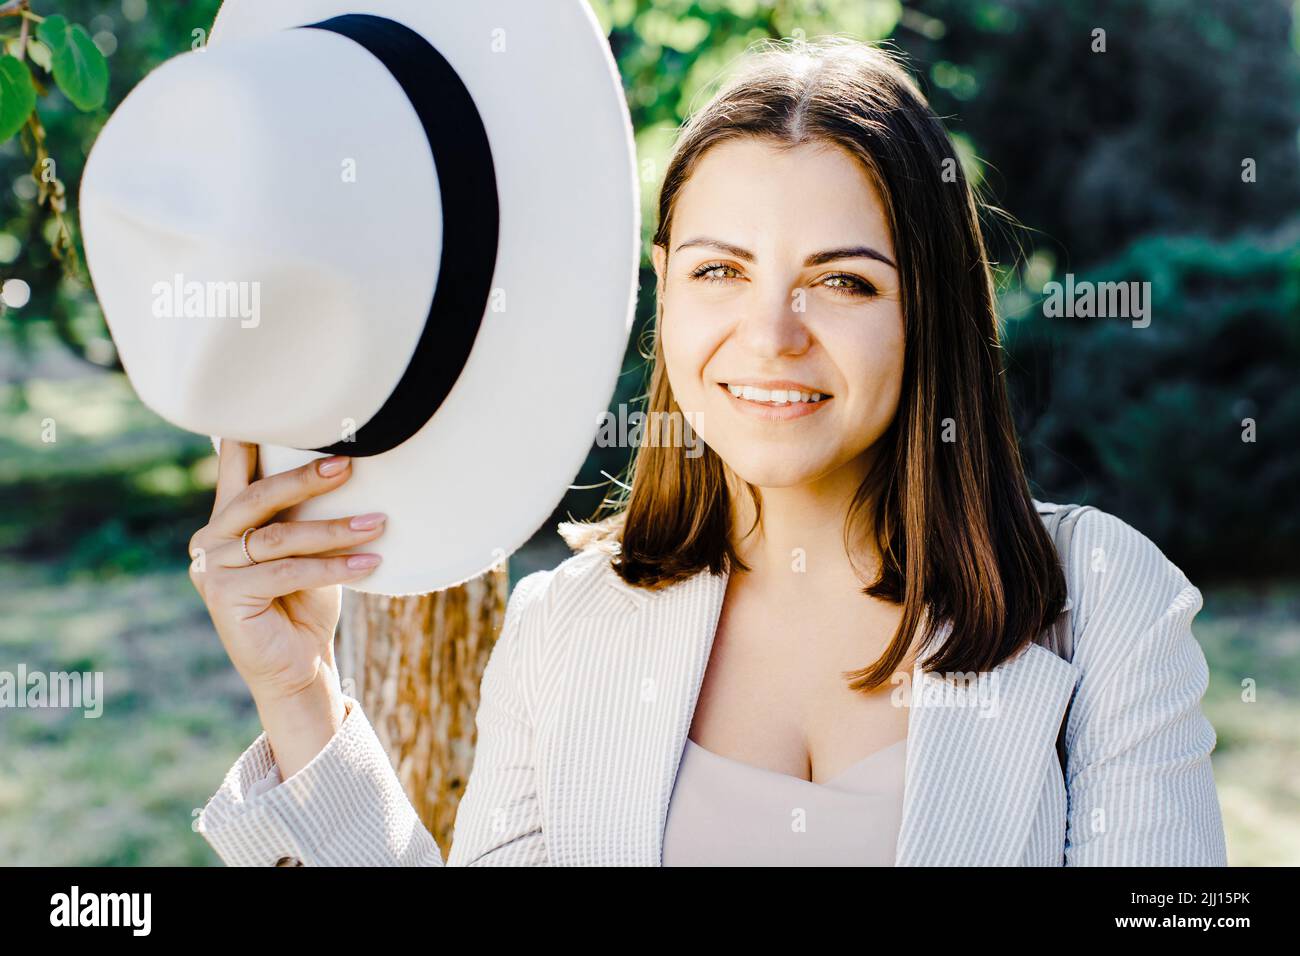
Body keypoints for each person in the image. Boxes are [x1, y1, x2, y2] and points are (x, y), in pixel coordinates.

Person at [188, 37, 1227, 866]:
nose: (770, 333)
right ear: (666, 287)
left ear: (933, 308)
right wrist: (300, 689)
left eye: (844, 280)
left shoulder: (1096, 600)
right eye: (720, 271)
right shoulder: (563, 631)